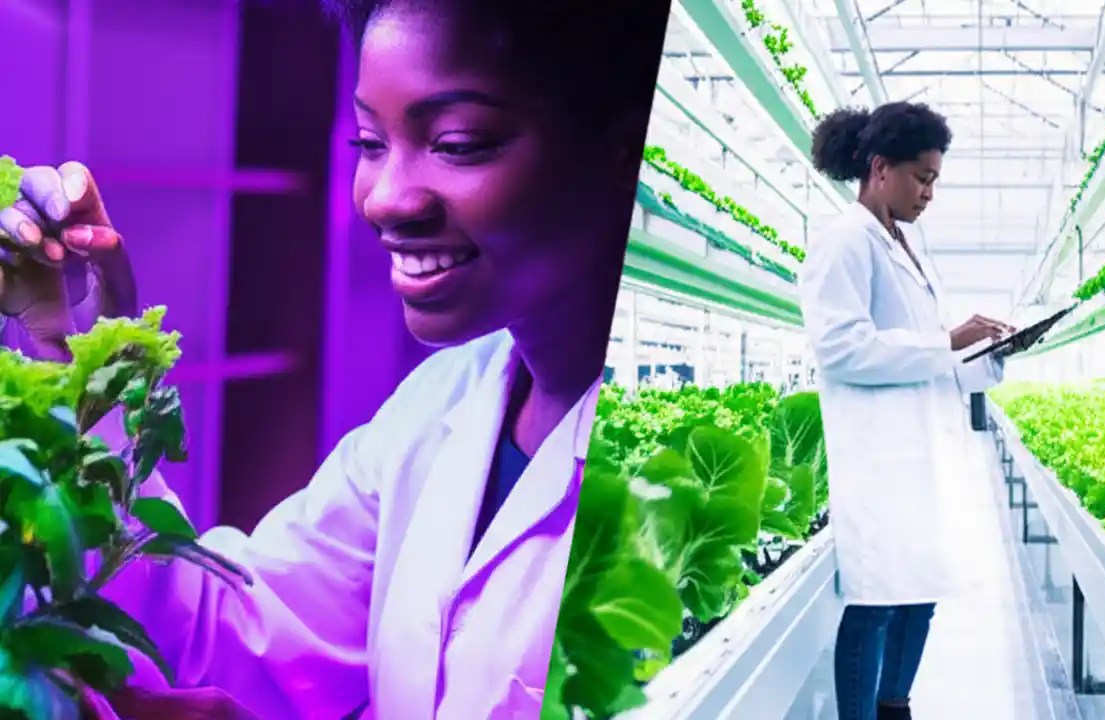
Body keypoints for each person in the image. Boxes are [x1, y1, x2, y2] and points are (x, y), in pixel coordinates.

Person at [0, 1, 669, 717]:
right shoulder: (440, 402)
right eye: (370, 142)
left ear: (621, 157)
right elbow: (238, 639)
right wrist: (78, 360)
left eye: (458, 142)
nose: (382, 199)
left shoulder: (660, 484)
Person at [797, 103, 1016, 720]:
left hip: (921, 455)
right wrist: (946, 342)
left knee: (920, 593)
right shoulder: (844, 242)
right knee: (875, 604)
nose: (928, 193)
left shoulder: (904, 244)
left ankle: (896, 707)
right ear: (878, 168)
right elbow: (842, 349)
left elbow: (930, 356)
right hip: (879, 458)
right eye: (922, 177)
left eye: (935, 180)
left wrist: (991, 353)